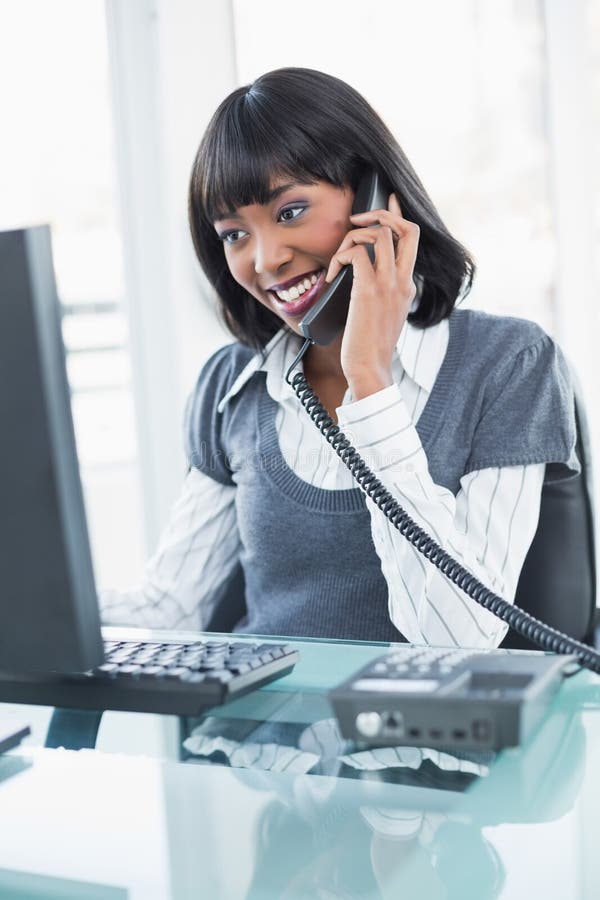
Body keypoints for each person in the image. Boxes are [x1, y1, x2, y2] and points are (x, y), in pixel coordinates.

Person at [101, 67, 578, 649]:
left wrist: (371, 382)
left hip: (427, 740)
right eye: (233, 235)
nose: (265, 260)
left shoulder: (508, 364)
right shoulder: (233, 386)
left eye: (290, 211)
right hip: (258, 739)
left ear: (374, 197)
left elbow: (459, 639)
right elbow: (169, 610)